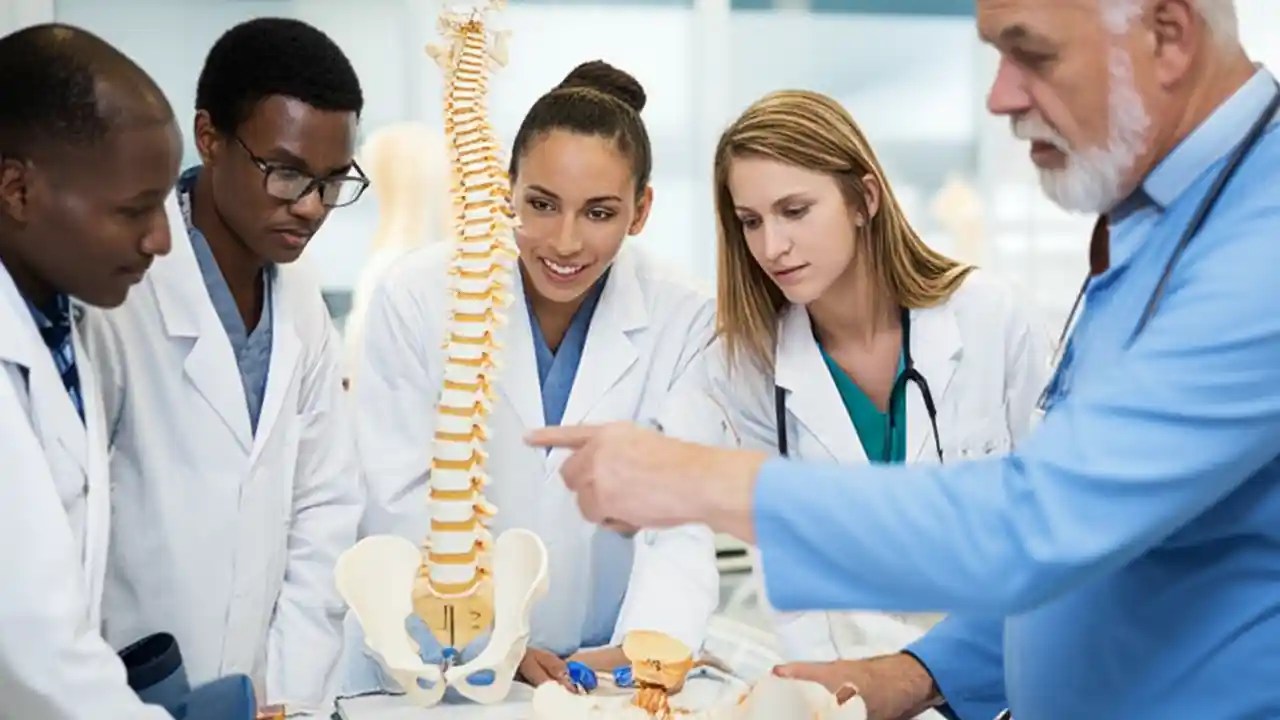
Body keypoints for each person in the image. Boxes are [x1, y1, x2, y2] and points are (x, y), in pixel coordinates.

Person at [529, 1, 1280, 718]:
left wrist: (698, 479)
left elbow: (1035, 521)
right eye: (752, 222)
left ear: (1170, 34)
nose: (997, 96)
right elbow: (1094, 555)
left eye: (1031, 52)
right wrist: (915, 677)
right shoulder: (1164, 231)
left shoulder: (1255, 249)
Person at [349, 60, 719, 693]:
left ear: (641, 210)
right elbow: (398, 501)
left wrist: (640, 651)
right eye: (541, 205)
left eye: (599, 213)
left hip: (603, 669)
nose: (565, 241)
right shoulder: (420, 295)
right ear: (505, 190)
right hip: (443, 664)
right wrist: (493, 641)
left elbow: (680, 516)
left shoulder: (684, 315)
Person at [656, 87, 1049, 669]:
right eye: (750, 221)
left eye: (795, 211)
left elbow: (1055, 524)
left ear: (864, 199)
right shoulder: (743, 365)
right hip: (837, 690)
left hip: (992, 685)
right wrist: (662, 640)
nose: (772, 246)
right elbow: (664, 499)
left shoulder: (992, 319)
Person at [81, 17, 367, 715]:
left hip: (263, 695)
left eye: (332, 182)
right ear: (209, 137)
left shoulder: (300, 299)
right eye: (287, 173)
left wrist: (289, 692)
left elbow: (323, 506)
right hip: (118, 692)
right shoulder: (119, 295)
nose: (310, 207)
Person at [0, 23, 255, 719]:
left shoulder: (61, 324)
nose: (161, 239)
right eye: (134, 209)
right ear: (17, 190)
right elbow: (29, 645)